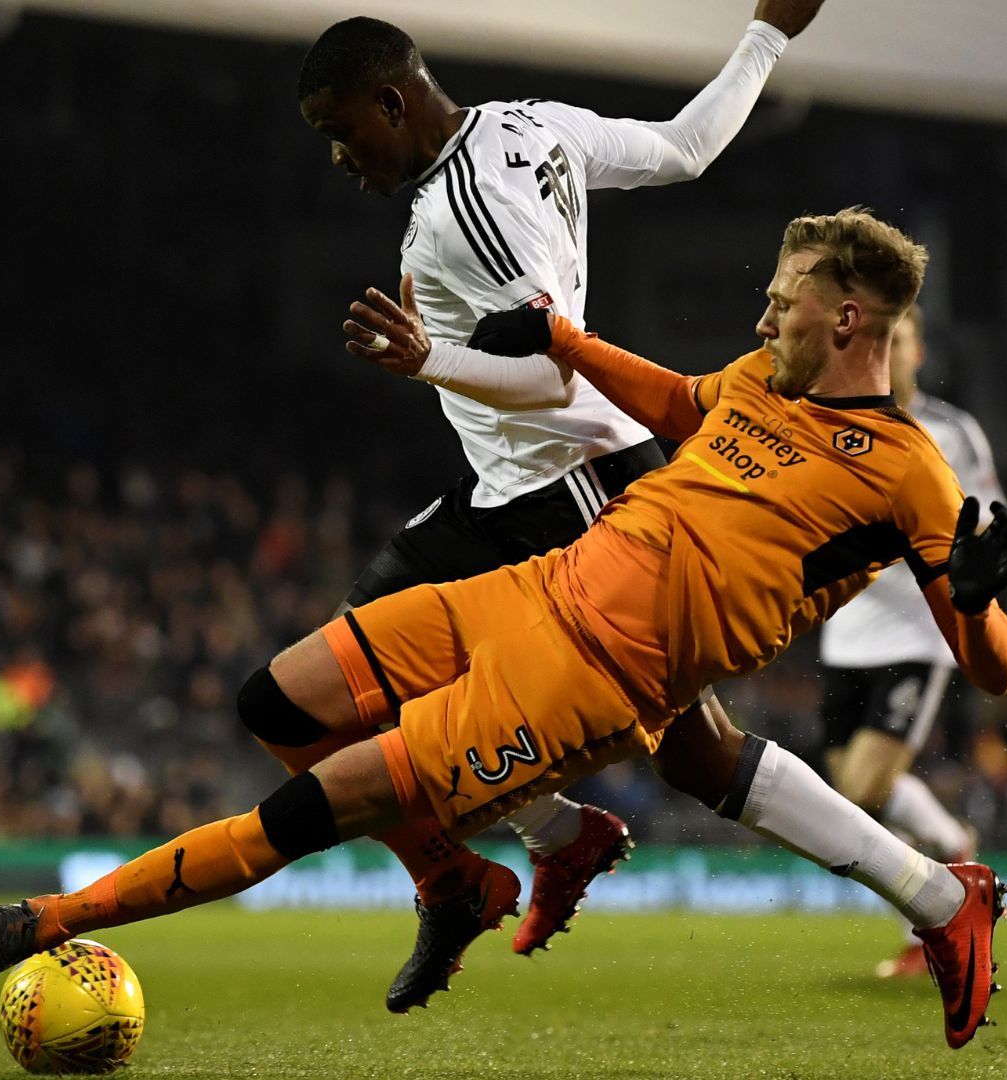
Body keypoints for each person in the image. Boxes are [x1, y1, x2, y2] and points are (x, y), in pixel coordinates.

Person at [0, 209, 1007, 1048]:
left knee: (304, 809)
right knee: (280, 700)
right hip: (531, 589)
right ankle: (488, 866)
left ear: (845, 318)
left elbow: (991, 671)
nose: (761, 320)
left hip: (589, 685)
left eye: (780, 301)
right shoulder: (759, 381)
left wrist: (979, 602)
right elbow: (680, 404)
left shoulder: (909, 476)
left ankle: (46, 923)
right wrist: (566, 340)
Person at [278, 4, 839, 1011]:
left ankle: (932, 896)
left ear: (391, 101)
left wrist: (427, 360)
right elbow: (682, 149)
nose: (336, 156)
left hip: (579, 481)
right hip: (501, 493)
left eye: (339, 130)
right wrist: (765, 37)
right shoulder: (529, 126)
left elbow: (554, 372)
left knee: (694, 751)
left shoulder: (475, 204)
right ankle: (523, 850)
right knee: (325, 689)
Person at [813, 304, 1006, 977]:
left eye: (898, 340)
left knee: (863, 792)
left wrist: (954, 560)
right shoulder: (834, 422)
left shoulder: (952, 432)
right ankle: (947, 869)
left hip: (916, 632)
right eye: (876, 340)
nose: (886, 352)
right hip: (843, 630)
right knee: (852, 800)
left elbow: (990, 521)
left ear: (918, 353)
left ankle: (950, 881)